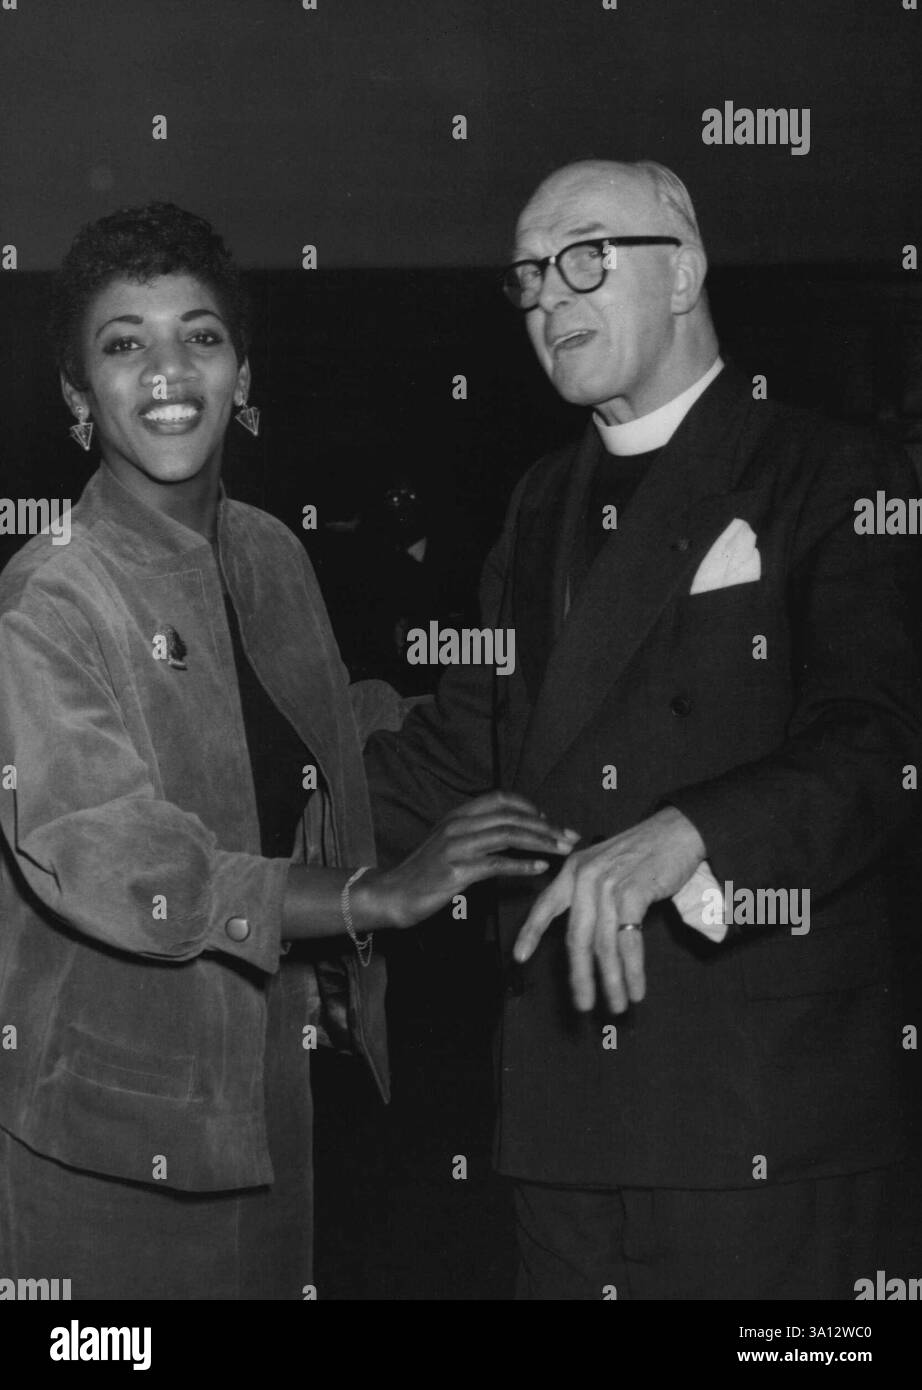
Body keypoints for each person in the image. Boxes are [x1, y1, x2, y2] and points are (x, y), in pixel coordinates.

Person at [365, 160, 922, 1299]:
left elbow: (879, 743)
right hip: (564, 1118)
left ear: (686, 272)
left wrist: (686, 833)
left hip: (759, 1114)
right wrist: (226, 801)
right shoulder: (532, 506)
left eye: (584, 256)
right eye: (527, 274)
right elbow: (460, 751)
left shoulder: (831, 471)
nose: (548, 297)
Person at [0, 202, 575, 1300]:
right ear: (78, 398)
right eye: (124, 344)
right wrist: (375, 896)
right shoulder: (49, 597)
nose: (169, 370)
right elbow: (129, 866)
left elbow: (316, 736)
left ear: (243, 372)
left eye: (200, 336)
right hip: (118, 1141)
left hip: (283, 1094)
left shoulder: (267, 549)